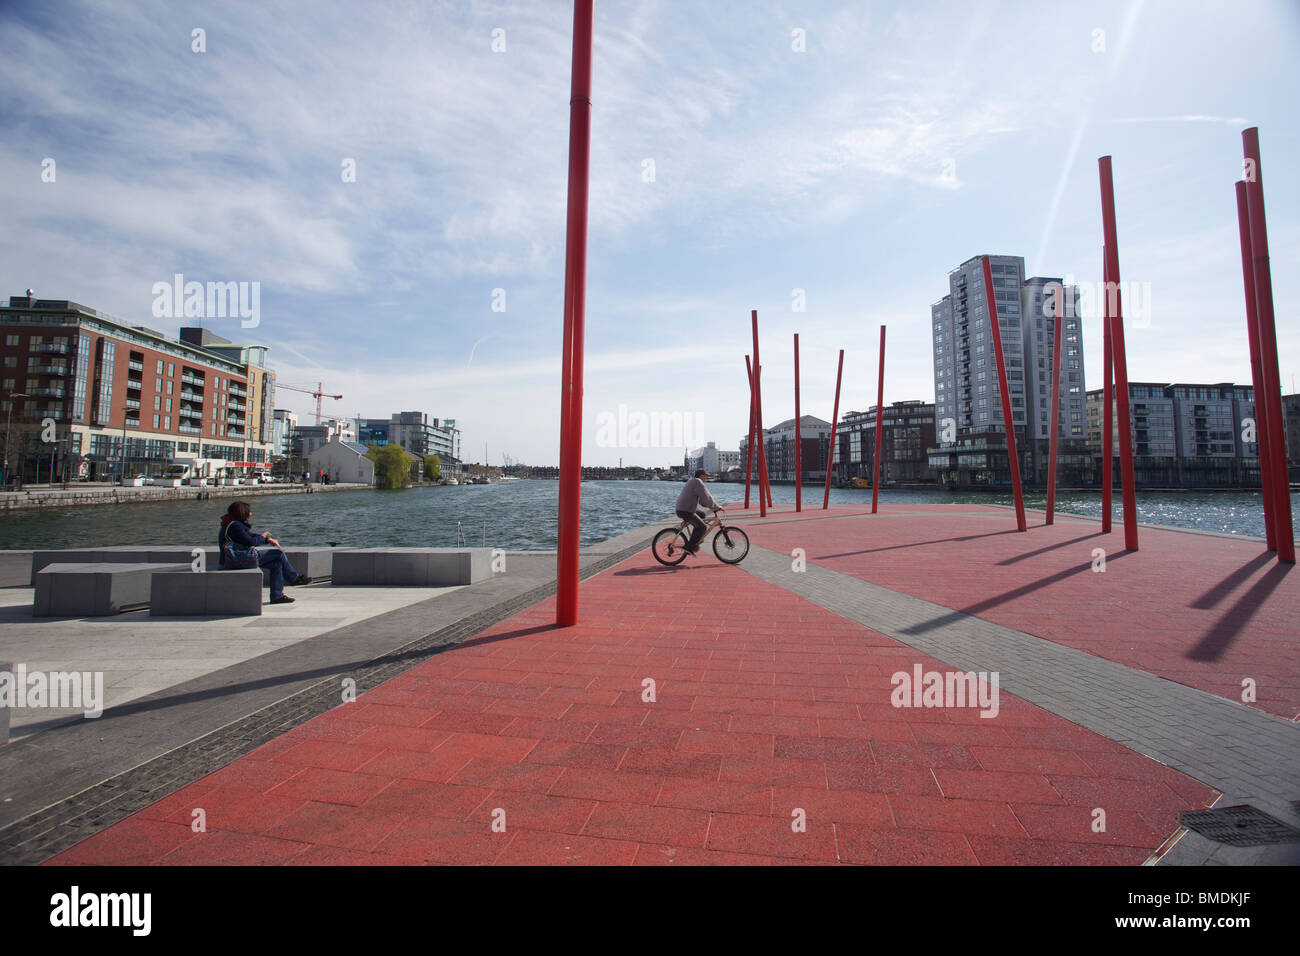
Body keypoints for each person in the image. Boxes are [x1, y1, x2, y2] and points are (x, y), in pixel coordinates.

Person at [218, 500, 311, 604]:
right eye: (249, 511)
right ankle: (294, 579)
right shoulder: (235, 526)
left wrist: (266, 539)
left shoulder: (231, 524)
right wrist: (263, 537)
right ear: (242, 513)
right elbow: (251, 542)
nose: (250, 513)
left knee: (277, 564)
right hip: (238, 560)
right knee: (279, 554)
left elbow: (249, 536)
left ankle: (277, 596)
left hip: (236, 559)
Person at [675, 468, 722, 555]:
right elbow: (706, 497)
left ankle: (695, 539)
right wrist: (716, 507)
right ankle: (689, 547)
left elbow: (702, 501)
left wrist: (711, 506)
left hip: (682, 508)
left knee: (702, 515)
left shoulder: (692, 481)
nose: (707, 478)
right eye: (706, 476)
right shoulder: (698, 482)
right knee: (703, 527)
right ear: (701, 476)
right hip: (686, 510)